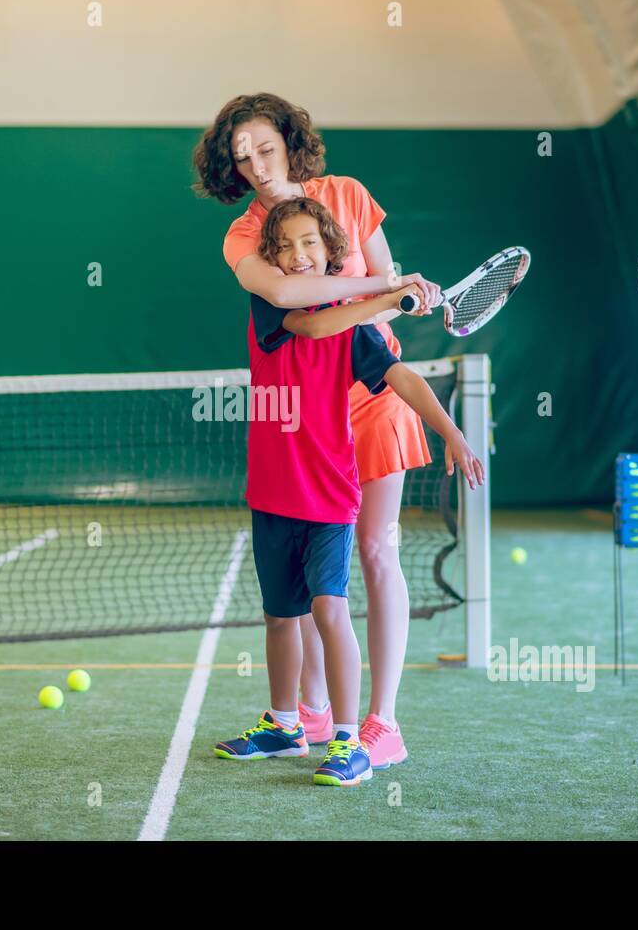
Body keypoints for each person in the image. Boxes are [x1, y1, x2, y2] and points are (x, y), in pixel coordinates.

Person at [194, 92, 443, 767]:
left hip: (373, 397)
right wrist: (385, 293)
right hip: (306, 417)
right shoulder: (244, 235)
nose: (256, 166)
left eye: (265, 148)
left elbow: (386, 277)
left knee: (376, 551)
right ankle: (304, 717)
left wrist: (400, 292)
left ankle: (381, 726)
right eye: (241, 158)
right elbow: (286, 296)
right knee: (303, 579)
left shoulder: (350, 195)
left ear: (288, 138)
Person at [211, 196, 483, 785]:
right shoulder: (271, 308)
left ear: (333, 252)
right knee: (280, 617)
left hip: (329, 498)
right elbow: (311, 322)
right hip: (271, 494)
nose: (296, 254)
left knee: (329, 610)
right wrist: (386, 298)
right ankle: (285, 725)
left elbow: (402, 378)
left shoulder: (356, 334)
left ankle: (346, 739)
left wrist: (454, 434)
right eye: (283, 247)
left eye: (309, 242)